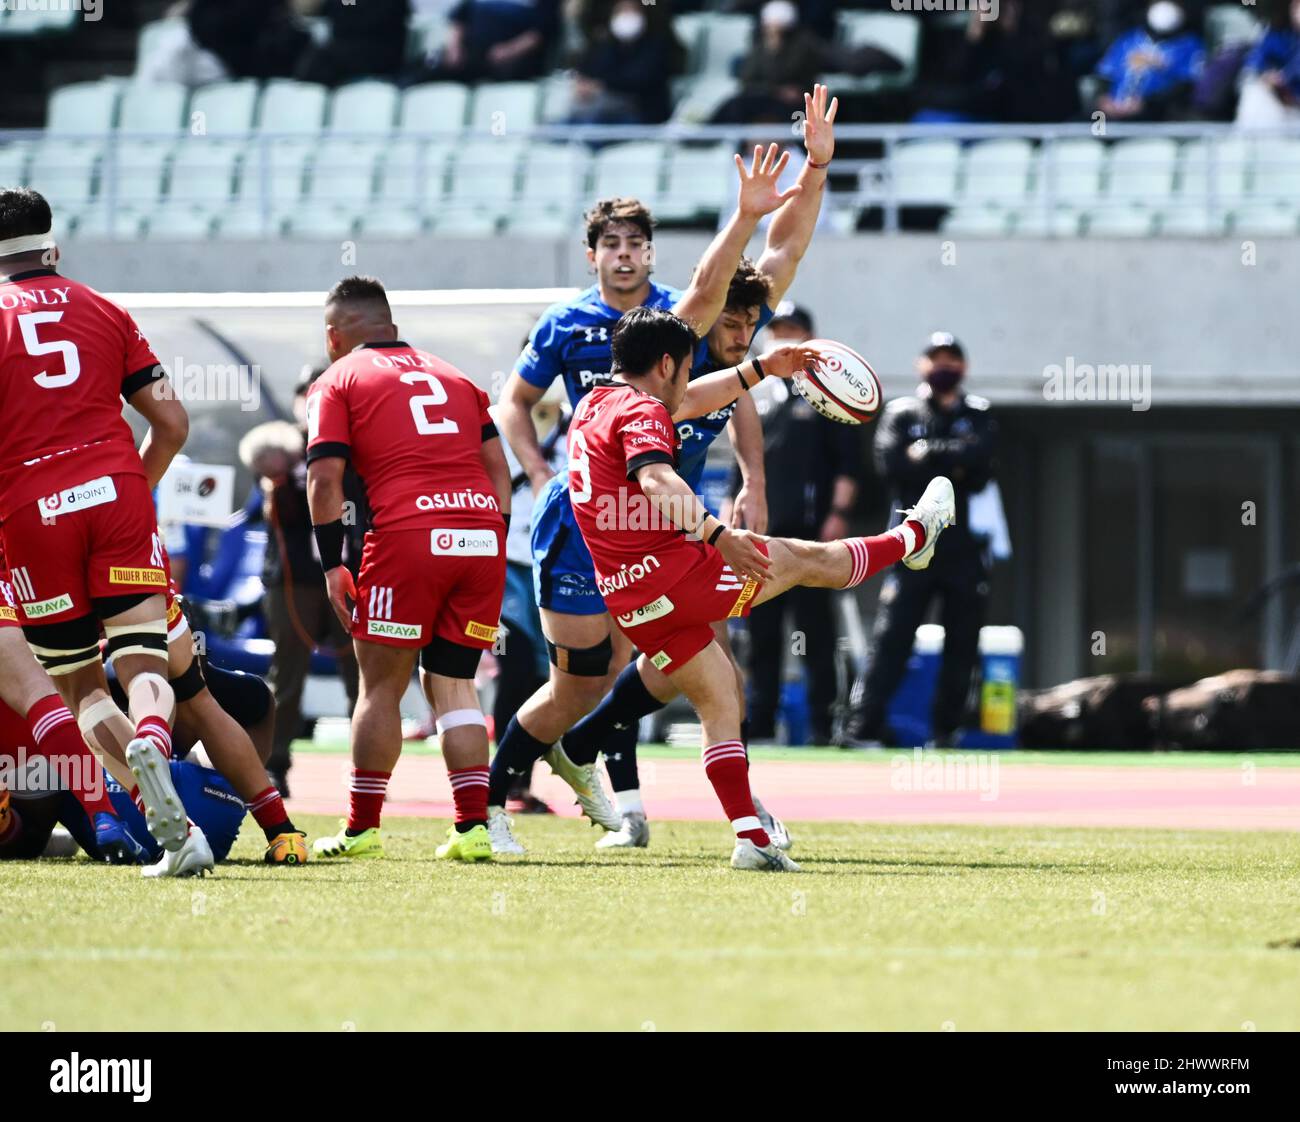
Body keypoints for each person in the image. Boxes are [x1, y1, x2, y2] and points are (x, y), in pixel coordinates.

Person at [490, 136, 808, 855]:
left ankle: (658, 802)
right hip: (591, 514)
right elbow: (513, 403)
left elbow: (728, 381)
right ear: (593, 253)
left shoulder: (675, 316)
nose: (626, 254)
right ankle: (518, 790)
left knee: (685, 655)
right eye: (612, 243)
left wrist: (753, 479)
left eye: (637, 242)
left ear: (652, 254)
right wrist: (540, 471)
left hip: (668, 514)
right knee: (586, 678)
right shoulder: (568, 322)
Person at [549, 86, 838, 849]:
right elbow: (712, 290)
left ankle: (605, 767)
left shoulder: (743, 344)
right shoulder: (689, 334)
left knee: (684, 661)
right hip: (620, 497)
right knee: (615, 662)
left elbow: (786, 253)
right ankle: (597, 791)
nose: (742, 330)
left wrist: (815, 168)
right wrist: (744, 212)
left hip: (670, 504)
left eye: (753, 320)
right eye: (733, 323)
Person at [566, 306, 954, 871]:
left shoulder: (596, 405)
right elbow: (655, 476)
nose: (684, 384)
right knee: (800, 558)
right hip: (677, 575)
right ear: (668, 362)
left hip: (630, 597)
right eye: (685, 368)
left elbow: (692, 401)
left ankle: (752, 839)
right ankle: (913, 537)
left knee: (721, 697)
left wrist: (761, 369)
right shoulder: (643, 410)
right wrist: (717, 534)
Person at [0, 188, 210, 876]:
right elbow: (173, 423)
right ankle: (156, 743)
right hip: (116, 492)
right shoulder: (104, 309)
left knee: (81, 687)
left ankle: (156, 819)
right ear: (51, 245)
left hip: (32, 509)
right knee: (145, 662)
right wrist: (131, 491)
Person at [306, 276, 512, 862]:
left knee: (381, 688)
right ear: (390, 324)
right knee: (453, 683)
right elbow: (498, 468)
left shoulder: (338, 379)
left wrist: (332, 564)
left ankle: (362, 829)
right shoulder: (455, 376)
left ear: (334, 334)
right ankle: (473, 830)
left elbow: (324, 481)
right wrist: (488, 530)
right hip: (479, 538)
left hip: (407, 538)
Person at [843, 333, 998, 749]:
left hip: (962, 547)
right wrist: (951, 457)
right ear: (921, 365)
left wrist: (926, 453)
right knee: (892, 637)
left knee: (962, 641)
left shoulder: (978, 414)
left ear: (963, 367)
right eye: (936, 359)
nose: (943, 366)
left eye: (951, 359)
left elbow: (980, 468)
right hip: (910, 544)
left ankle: (946, 731)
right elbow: (890, 464)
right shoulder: (901, 412)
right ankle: (864, 728)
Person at [729, 303, 861, 744]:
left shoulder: (826, 395)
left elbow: (848, 466)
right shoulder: (754, 394)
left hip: (809, 539)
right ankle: (761, 726)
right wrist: (732, 523)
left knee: (817, 635)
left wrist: (837, 516)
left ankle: (825, 727)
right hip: (761, 541)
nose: (783, 338)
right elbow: (739, 465)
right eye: (777, 330)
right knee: (761, 636)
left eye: (793, 330)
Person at [240, 412, 360, 797]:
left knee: (362, 677)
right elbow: (259, 514)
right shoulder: (284, 451)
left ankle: (368, 770)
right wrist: (277, 479)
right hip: (294, 583)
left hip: (350, 574)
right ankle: (272, 767)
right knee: (287, 676)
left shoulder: (352, 449)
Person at [566, 1, 679, 126]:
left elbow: (639, 79)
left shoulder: (657, 46)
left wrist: (600, 85)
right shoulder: (608, 46)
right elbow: (592, 69)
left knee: (592, 126)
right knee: (564, 125)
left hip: (641, 115)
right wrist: (584, 84)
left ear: (644, 14)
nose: (626, 16)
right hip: (604, 111)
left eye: (631, 11)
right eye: (621, 11)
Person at [1092, 1, 1204, 122]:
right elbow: (1104, 74)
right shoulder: (1129, 38)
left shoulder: (1191, 44)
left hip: (1158, 117)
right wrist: (1103, 99)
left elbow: (1188, 85)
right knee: (1088, 127)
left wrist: (1147, 104)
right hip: (1113, 113)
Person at [413, 0, 560, 83]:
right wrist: (454, 47)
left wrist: (509, 51)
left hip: (513, 58)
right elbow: (459, 19)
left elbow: (540, 33)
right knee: (429, 65)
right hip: (470, 52)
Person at [1236, 0, 1300, 127]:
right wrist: (1267, 76)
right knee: (1254, 92)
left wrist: (1284, 78)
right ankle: (1248, 143)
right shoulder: (1281, 33)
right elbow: (1254, 62)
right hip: (1283, 107)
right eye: (1296, 6)